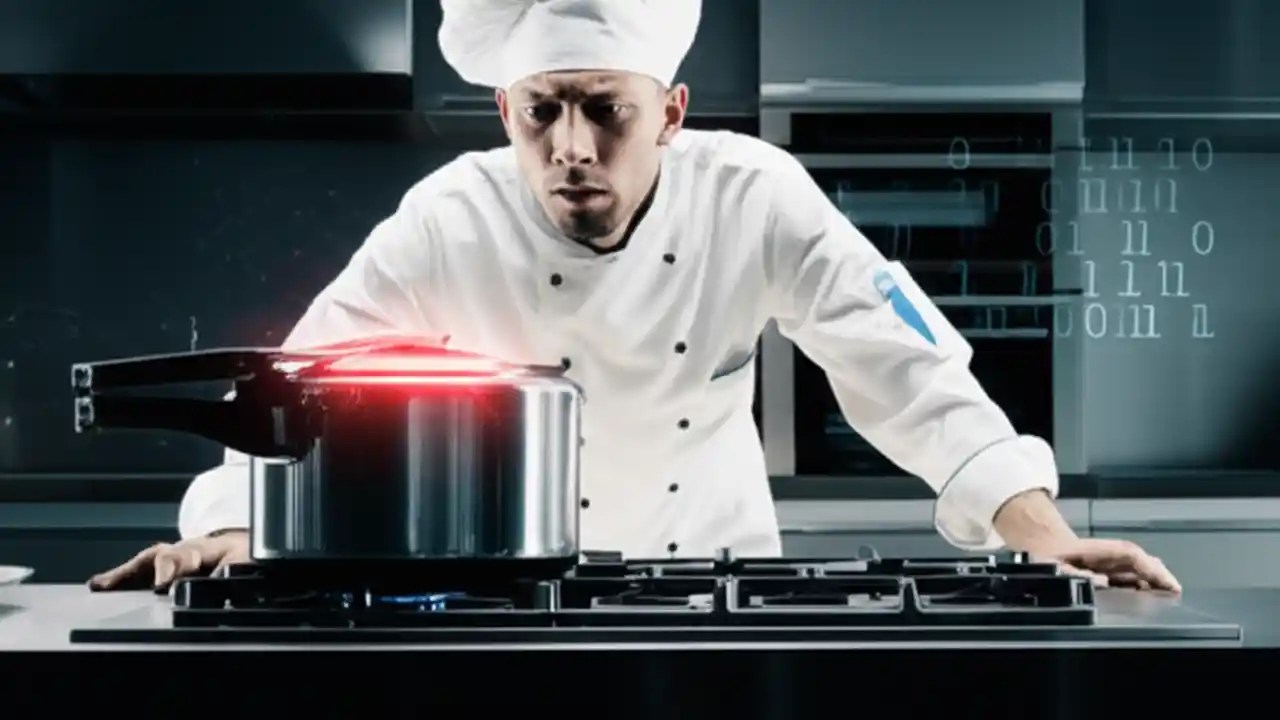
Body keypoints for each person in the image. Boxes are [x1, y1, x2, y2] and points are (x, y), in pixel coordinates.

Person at [89, 0, 1180, 593]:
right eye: (540, 112)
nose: (569, 147)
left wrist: (1041, 534)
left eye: (604, 109)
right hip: (512, 592)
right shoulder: (447, 218)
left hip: (716, 583)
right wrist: (229, 526)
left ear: (670, 111)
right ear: (505, 114)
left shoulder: (754, 194)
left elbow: (907, 374)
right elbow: (297, 388)